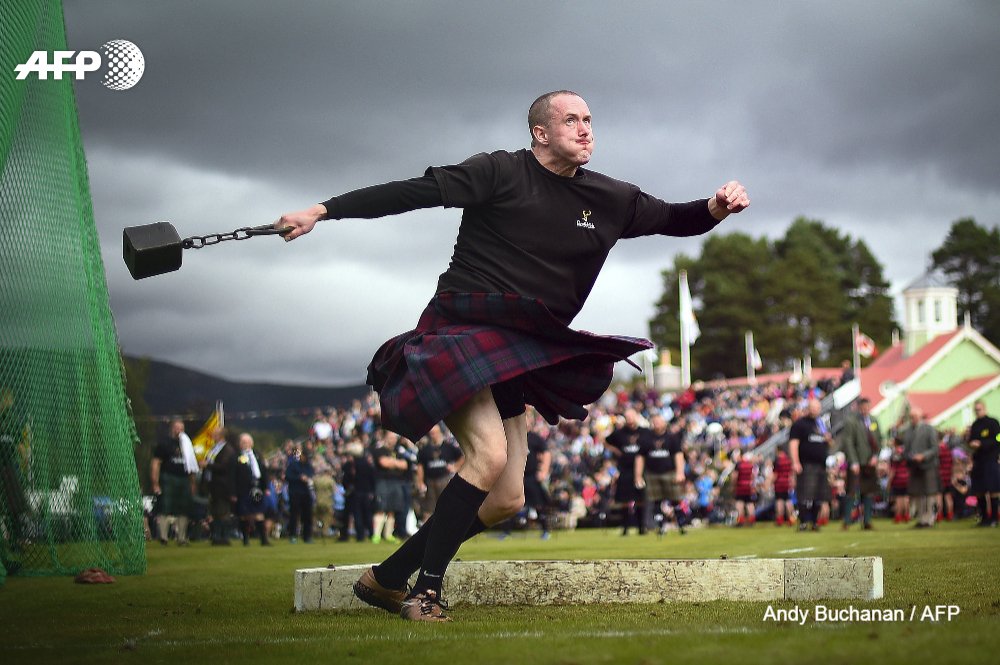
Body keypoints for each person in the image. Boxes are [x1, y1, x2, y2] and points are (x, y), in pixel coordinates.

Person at [276, 90, 748, 621]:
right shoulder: (499, 172)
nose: (586, 129)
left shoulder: (611, 198)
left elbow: (676, 217)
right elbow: (414, 192)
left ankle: (385, 577)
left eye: (590, 119)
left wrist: (716, 206)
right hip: (462, 334)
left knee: (506, 500)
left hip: (517, 352)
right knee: (489, 456)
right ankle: (425, 592)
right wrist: (322, 210)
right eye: (572, 119)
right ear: (540, 133)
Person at [150, 419, 199, 545]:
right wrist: (155, 483)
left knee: (183, 509)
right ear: (172, 428)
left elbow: (191, 465)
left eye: (181, 428)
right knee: (165, 507)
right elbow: (156, 463)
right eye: (177, 428)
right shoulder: (164, 444)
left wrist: (193, 483)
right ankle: (163, 537)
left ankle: (181, 538)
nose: (179, 431)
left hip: (184, 479)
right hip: (168, 477)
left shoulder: (187, 445)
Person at [788, 399, 833, 531]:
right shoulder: (800, 424)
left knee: (819, 496)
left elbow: (829, 443)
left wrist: (828, 439)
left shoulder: (820, 424)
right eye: (813, 407)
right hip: (806, 464)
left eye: (817, 408)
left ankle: (814, 522)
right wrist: (795, 462)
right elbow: (793, 443)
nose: (815, 410)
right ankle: (803, 522)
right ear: (808, 408)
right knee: (805, 495)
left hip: (821, 465)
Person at [837, 397, 882, 530]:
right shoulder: (851, 421)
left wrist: (875, 456)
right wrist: (854, 461)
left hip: (870, 463)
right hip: (856, 463)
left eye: (867, 407)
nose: (865, 410)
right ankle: (847, 521)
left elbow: (879, 440)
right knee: (852, 491)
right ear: (858, 408)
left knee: (868, 492)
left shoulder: (874, 421)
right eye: (863, 408)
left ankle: (867, 521)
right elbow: (848, 442)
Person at [605, 408, 650, 535]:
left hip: (642, 470)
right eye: (627, 417)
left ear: (636, 416)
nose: (629, 419)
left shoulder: (645, 432)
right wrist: (616, 451)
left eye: (631, 416)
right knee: (625, 499)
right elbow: (606, 441)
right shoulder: (620, 433)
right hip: (624, 469)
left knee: (641, 498)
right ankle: (625, 527)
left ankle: (642, 527)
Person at [641, 414, 686, 534]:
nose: (656, 424)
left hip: (669, 472)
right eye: (654, 422)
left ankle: (681, 525)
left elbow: (678, 455)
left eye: (659, 421)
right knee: (656, 502)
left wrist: (680, 472)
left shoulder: (672, 438)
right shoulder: (646, 438)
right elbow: (640, 457)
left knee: (675, 500)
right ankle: (660, 526)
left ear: (664, 423)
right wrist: (638, 475)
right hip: (652, 473)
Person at [415, 425, 463, 524]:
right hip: (430, 481)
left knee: (447, 506)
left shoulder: (448, 447)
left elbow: (462, 456)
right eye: (431, 433)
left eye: (435, 432)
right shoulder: (425, 450)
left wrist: (455, 466)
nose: (433, 435)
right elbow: (420, 467)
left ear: (440, 432)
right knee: (429, 508)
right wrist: (420, 482)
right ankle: (427, 531)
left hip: (444, 480)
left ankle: (449, 528)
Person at [230, 432, 271, 546]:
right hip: (243, 489)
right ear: (240, 444)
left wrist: (266, 487)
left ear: (252, 443)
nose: (246, 444)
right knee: (245, 515)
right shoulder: (236, 457)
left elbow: (264, 472)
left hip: (257, 488)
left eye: (248, 442)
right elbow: (232, 476)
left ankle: (264, 539)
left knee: (259, 513)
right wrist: (233, 493)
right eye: (243, 442)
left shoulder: (257, 455)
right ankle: (245, 539)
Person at [902, 408, 939, 528]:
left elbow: (935, 448)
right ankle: (921, 519)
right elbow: (906, 450)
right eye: (911, 417)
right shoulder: (907, 431)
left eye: (915, 416)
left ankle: (930, 519)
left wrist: (923, 456)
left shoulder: (929, 429)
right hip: (914, 466)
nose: (913, 419)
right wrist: (909, 456)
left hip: (928, 465)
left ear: (920, 416)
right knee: (917, 494)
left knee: (930, 494)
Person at [966, 401, 1000, 527]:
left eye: (979, 409)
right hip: (978, 461)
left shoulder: (993, 422)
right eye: (976, 410)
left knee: (993, 490)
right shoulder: (975, 425)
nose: (977, 412)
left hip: (990, 460)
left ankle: (994, 518)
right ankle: (984, 518)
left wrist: (983, 443)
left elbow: (998, 438)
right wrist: (971, 443)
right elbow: (970, 440)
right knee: (979, 490)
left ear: (984, 408)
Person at [201, 426, 236, 545]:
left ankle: (224, 537)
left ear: (221, 436)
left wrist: (207, 465)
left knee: (223, 511)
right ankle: (216, 536)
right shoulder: (214, 448)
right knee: (215, 511)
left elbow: (224, 467)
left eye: (215, 434)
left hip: (222, 485)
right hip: (213, 485)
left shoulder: (227, 450)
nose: (212, 435)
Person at [285, 440, 316, 543]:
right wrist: (299, 478)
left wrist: (308, 478)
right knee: (294, 515)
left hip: (306, 493)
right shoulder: (293, 465)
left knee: (307, 515)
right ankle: (293, 535)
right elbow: (288, 476)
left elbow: (312, 475)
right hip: (295, 493)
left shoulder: (309, 466)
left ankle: (307, 536)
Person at [772, 445, 794, 526]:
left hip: (779, 483)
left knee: (780, 501)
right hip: (787, 482)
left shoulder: (777, 460)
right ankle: (791, 519)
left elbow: (775, 474)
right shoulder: (789, 459)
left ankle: (779, 520)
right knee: (788, 501)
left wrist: (770, 482)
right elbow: (791, 472)